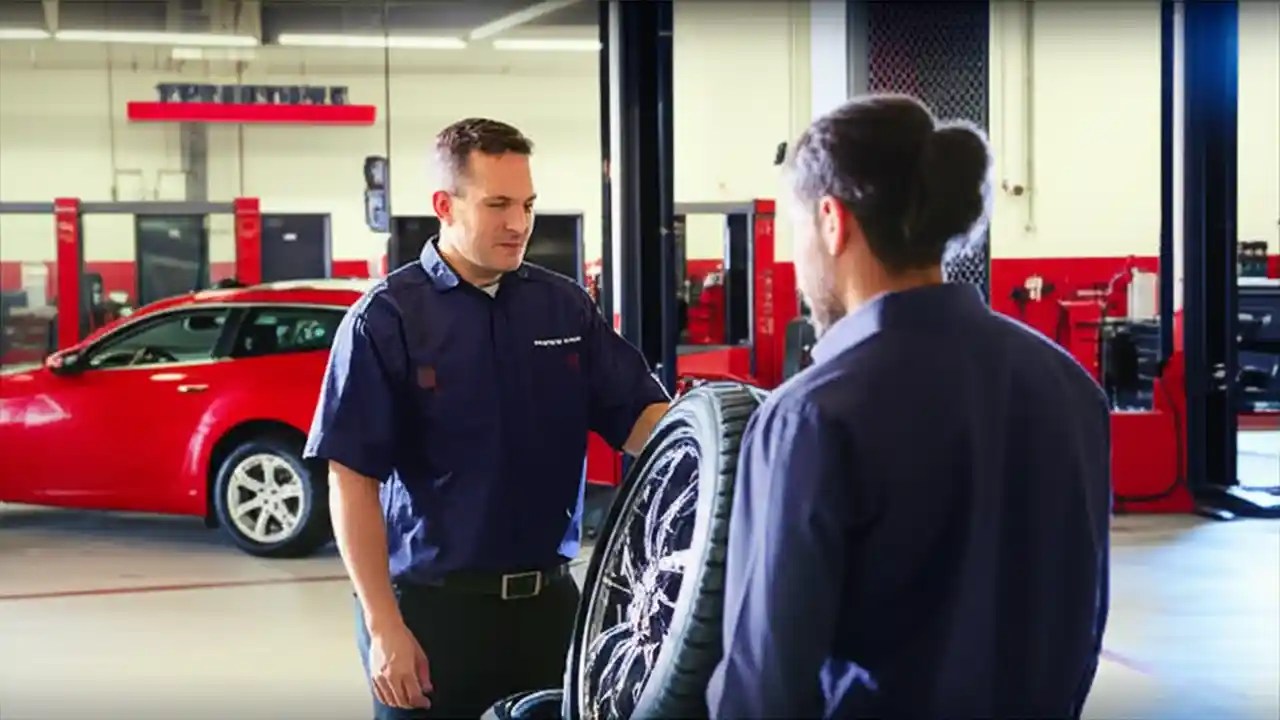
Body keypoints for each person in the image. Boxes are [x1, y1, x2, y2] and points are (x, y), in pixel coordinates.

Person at [705, 94, 1112, 719]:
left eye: (799, 230)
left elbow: (764, 688)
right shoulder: (1068, 385)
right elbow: (1082, 623)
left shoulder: (810, 417)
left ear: (832, 221)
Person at [304, 117, 671, 719]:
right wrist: (383, 626)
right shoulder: (387, 320)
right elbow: (351, 480)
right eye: (497, 204)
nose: (520, 223)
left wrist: (724, 439)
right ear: (443, 206)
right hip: (429, 614)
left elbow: (639, 419)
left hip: (550, 610)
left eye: (527, 204)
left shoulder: (563, 307)